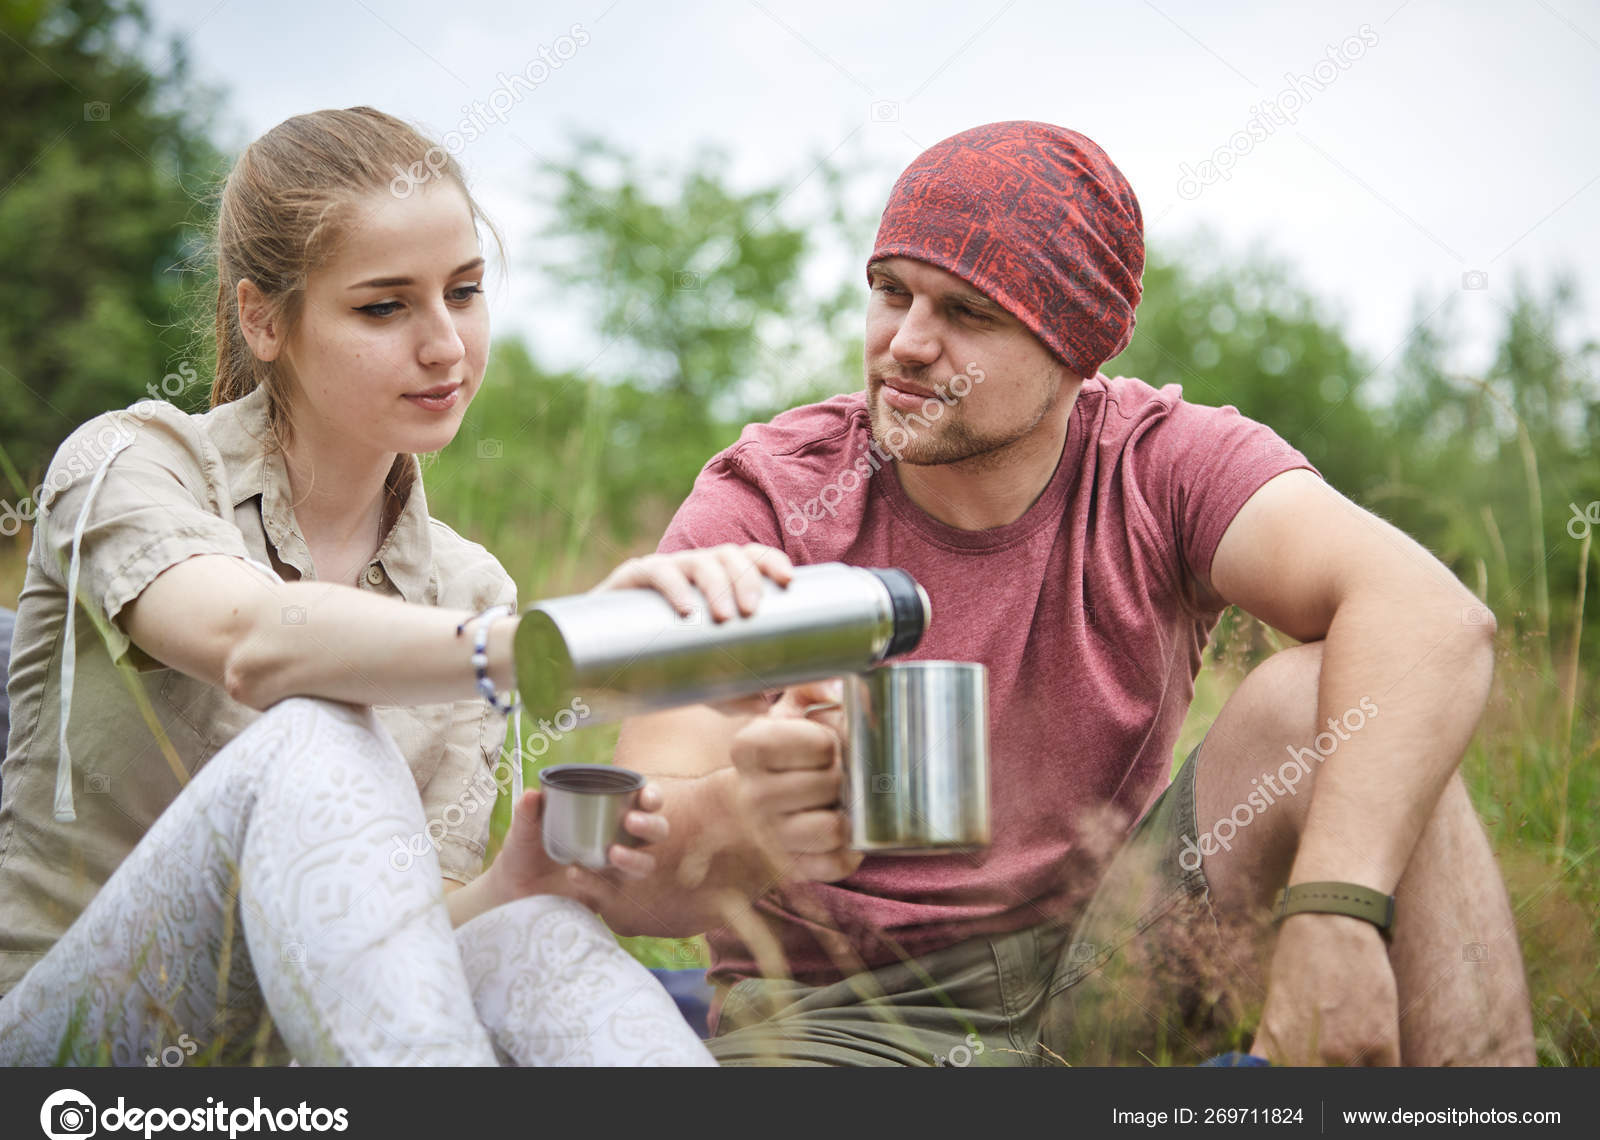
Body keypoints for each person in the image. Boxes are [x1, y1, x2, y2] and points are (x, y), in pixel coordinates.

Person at [583, 121, 1538, 1067]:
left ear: (1076, 352)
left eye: (968, 313)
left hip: (1104, 968)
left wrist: (1336, 910)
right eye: (891, 291)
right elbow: (628, 879)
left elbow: (1435, 618)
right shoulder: (774, 497)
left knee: (1338, 705)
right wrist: (749, 812)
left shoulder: (1160, 459)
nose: (905, 345)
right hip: (844, 1017)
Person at [0, 107, 793, 1067]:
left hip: (291, 1060)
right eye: (385, 307)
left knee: (538, 935)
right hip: (73, 1049)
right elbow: (252, 638)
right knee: (319, 728)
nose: (446, 347)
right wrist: (542, 645)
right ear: (263, 317)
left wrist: (510, 881)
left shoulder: (469, 584)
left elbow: (399, 943)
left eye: (464, 292)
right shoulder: (127, 464)